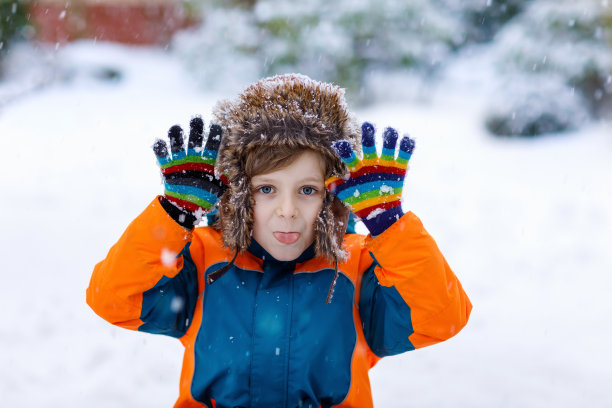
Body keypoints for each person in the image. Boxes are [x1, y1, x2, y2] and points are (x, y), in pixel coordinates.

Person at [86, 74, 472, 408]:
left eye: (307, 190)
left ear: (332, 194)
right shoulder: (204, 259)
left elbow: (440, 317)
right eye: (267, 189)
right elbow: (114, 298)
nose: (287, 210)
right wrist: (174, 216)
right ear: (237, 193)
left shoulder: (356, 267)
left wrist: (389, 226)